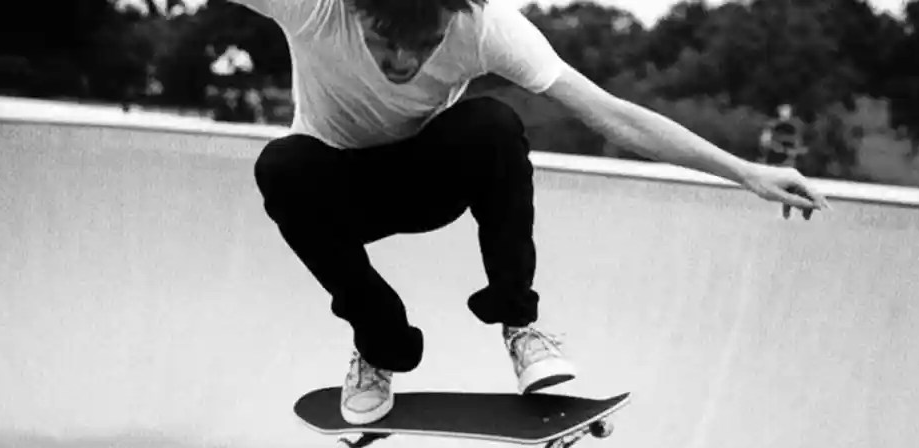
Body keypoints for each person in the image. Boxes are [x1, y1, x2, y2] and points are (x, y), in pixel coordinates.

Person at [229, 0, 830, 425]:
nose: (405, 60)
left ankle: (519, 325)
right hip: (340, 194)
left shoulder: (487, 27)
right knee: (281, 165)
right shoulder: (312, 6)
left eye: (426, 42)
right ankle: (380, 342)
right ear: (356, 9)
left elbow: (612, 115)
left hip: (427, 184)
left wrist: (746, 171)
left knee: (494, 124)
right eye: (386, 38)